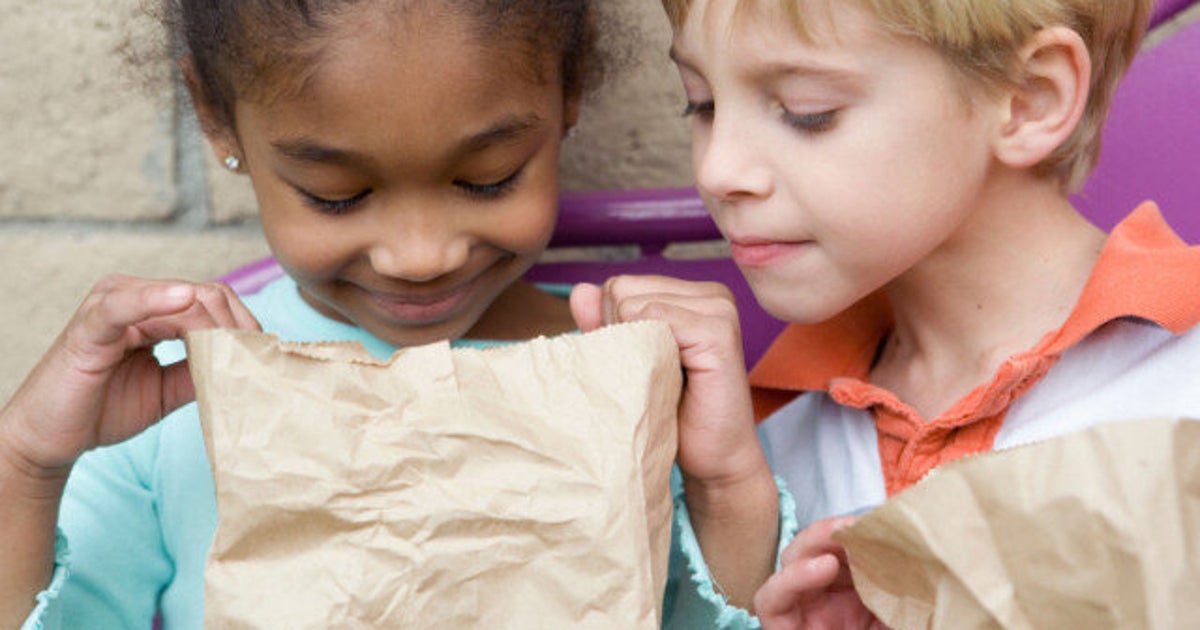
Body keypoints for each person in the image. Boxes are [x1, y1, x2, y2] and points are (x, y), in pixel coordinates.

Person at [0, 1, 790, 627]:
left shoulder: (623, 375)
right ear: (216, 116)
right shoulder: (170, 410)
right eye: (337, 195)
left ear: (569, 87)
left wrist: (722, 481)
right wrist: (27, 466)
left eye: (488, 178)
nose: (420, 255)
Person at [575, 0, 1200, 626]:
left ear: (1029, 97)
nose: (718, 170)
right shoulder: (768, 432)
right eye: (701, 104)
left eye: (807, 112)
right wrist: (729, 492)